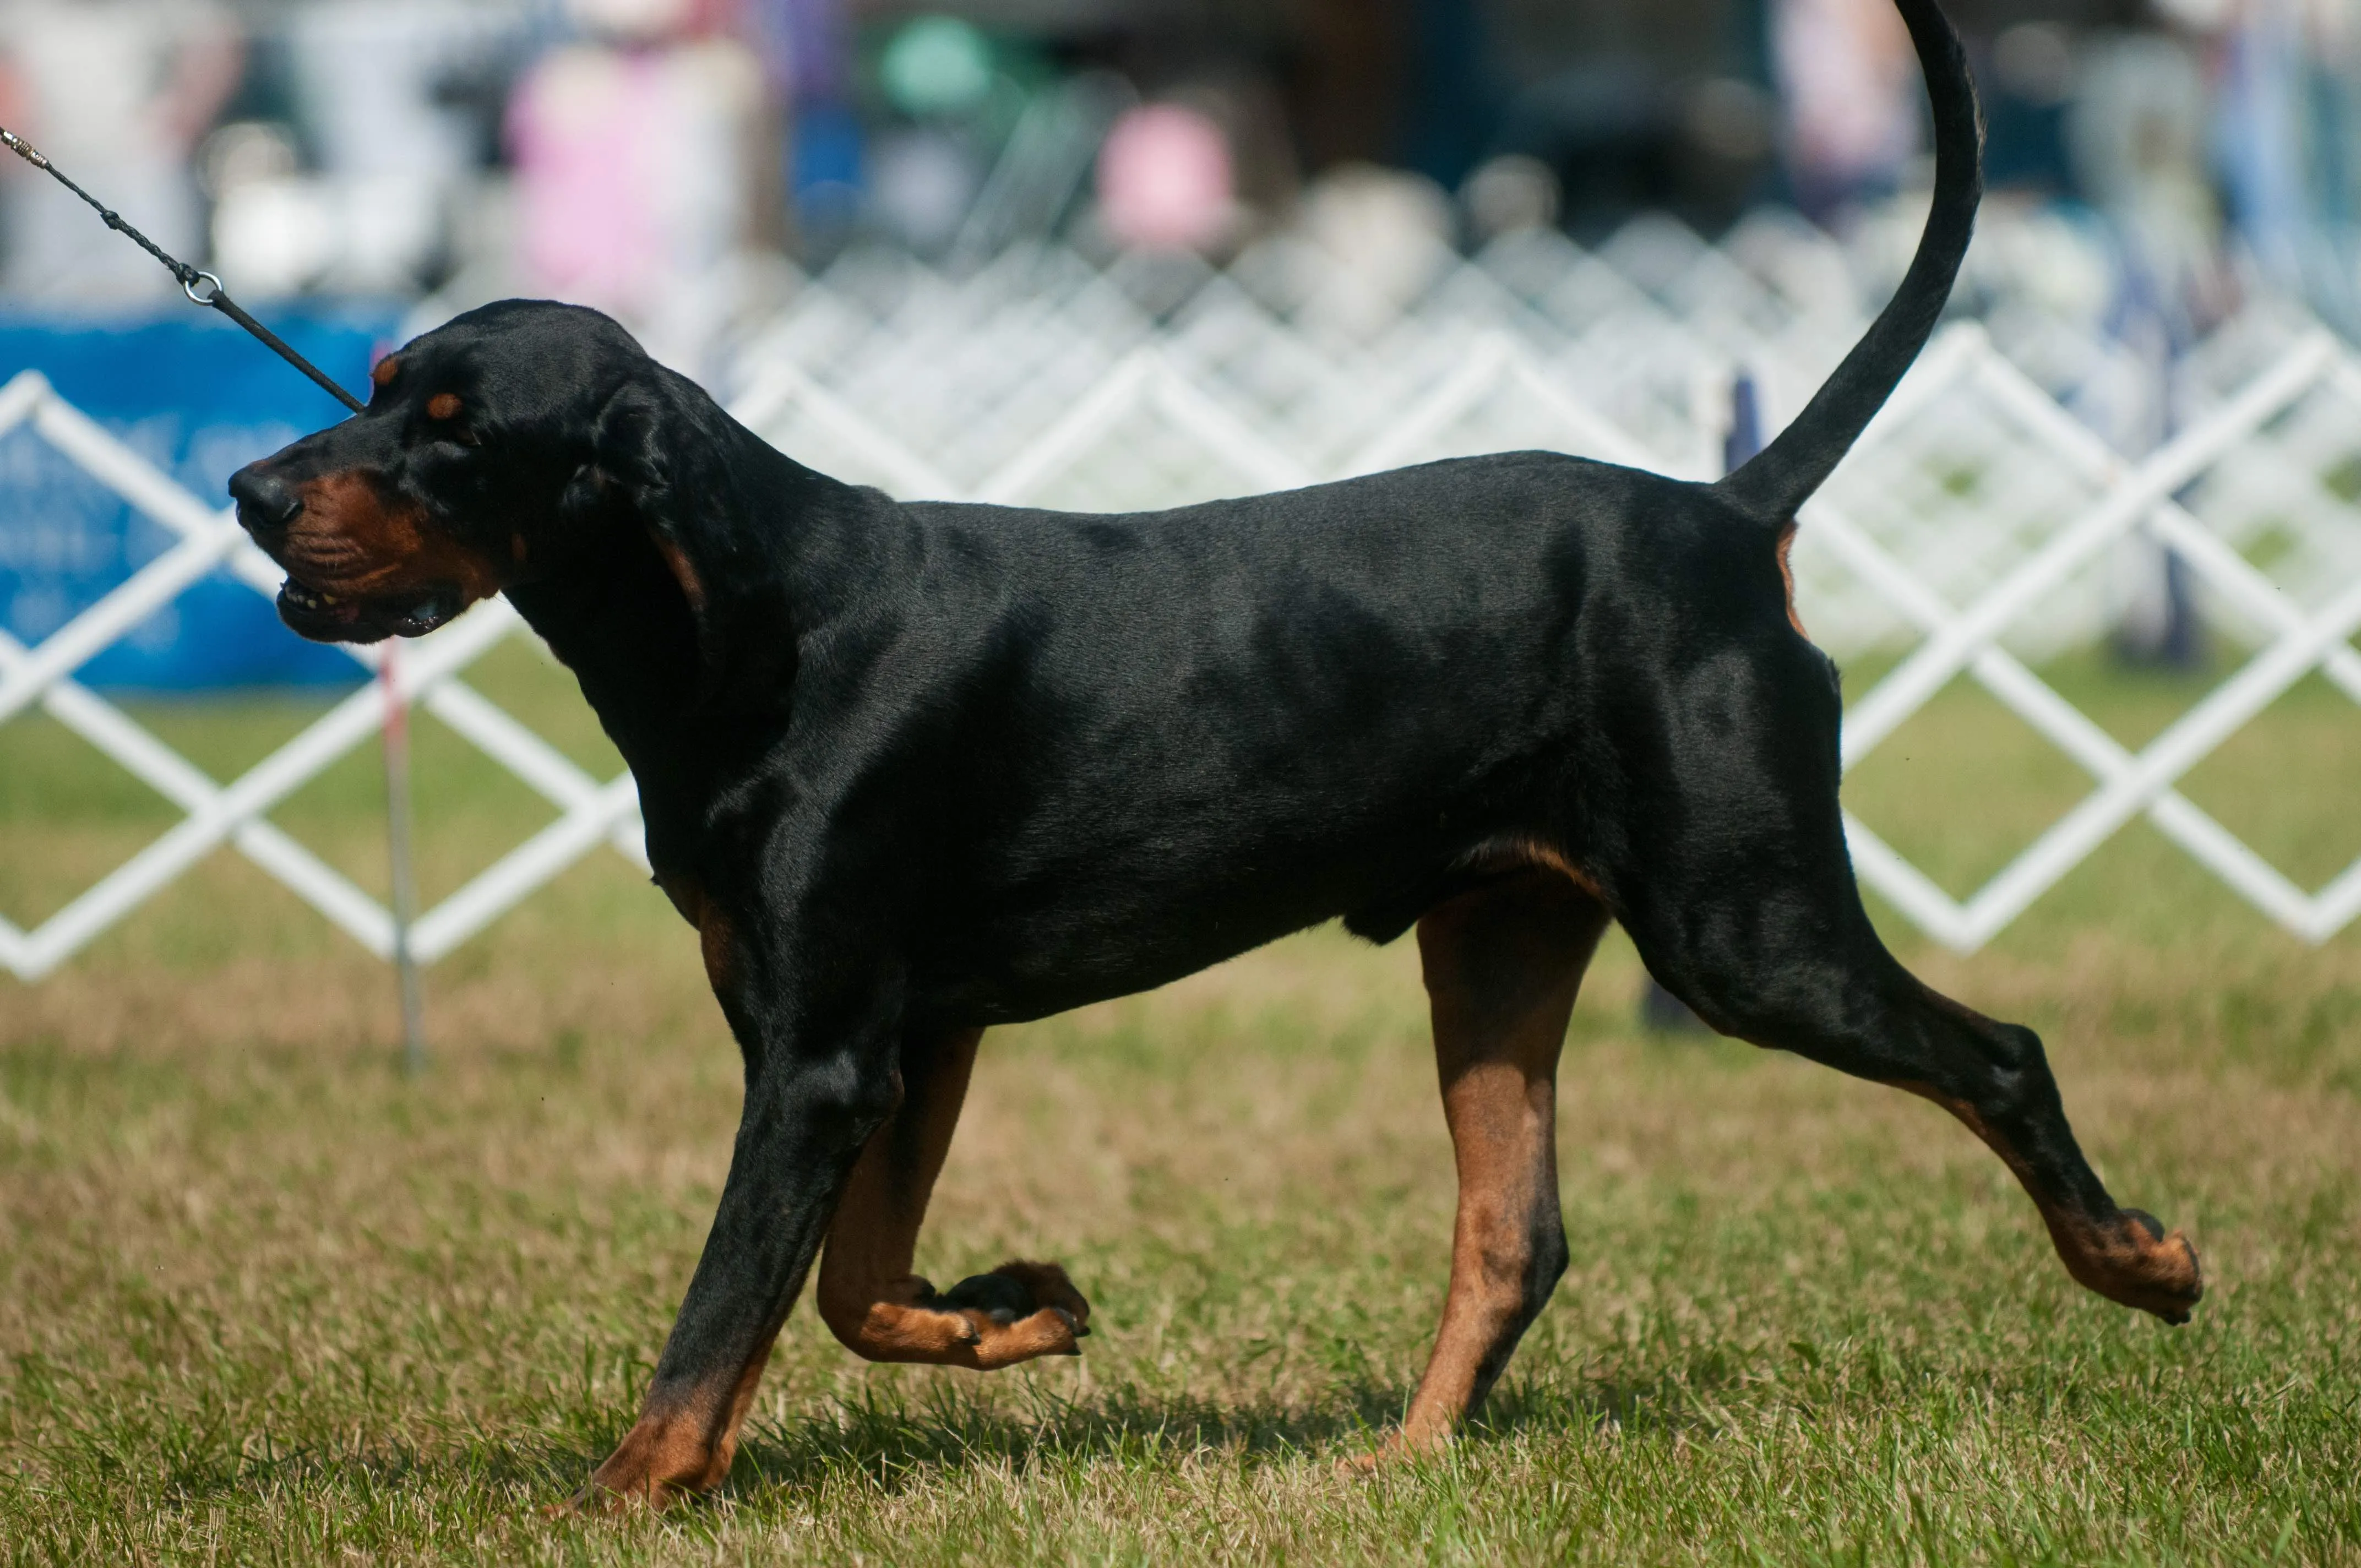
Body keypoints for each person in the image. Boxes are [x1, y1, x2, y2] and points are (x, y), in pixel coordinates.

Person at [0, 0, 241, 303]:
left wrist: (181, 123)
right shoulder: (21, 12)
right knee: (46, 291)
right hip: (46, 171)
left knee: (150, 289)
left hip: (141, 167)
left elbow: (214, 45)